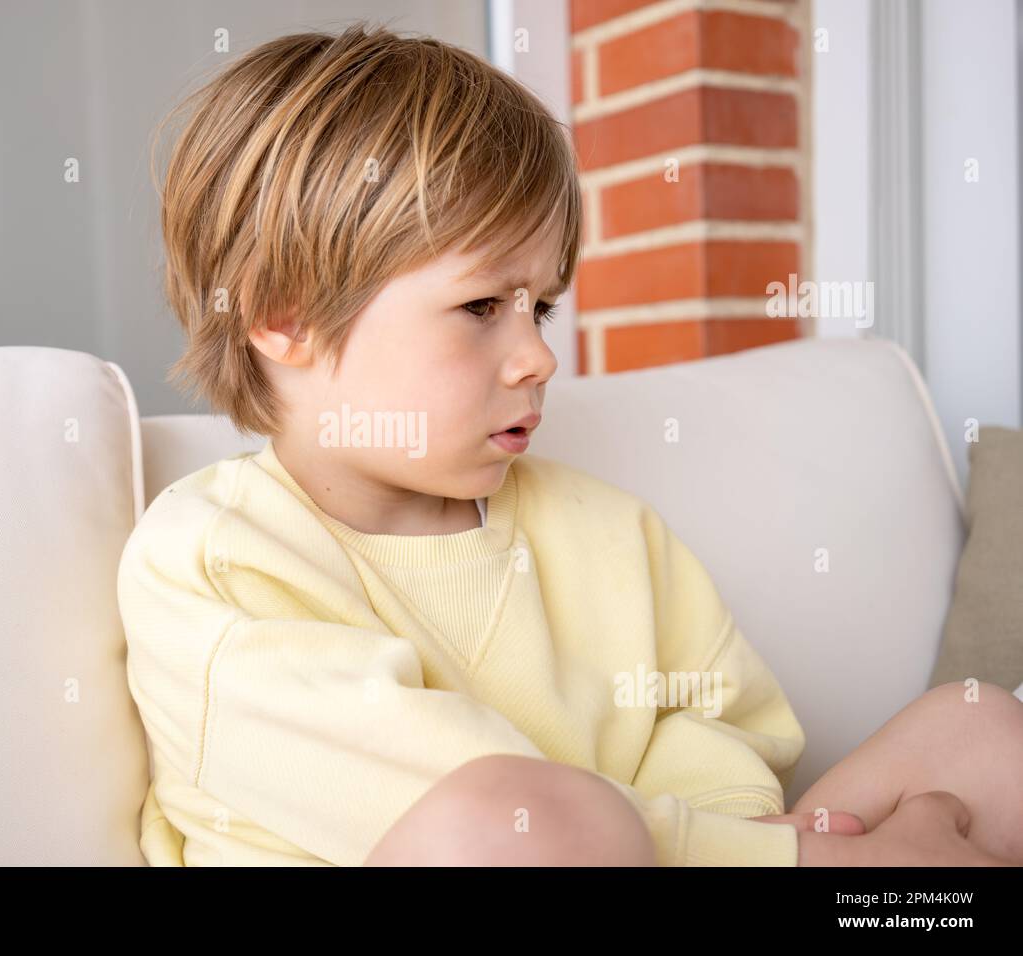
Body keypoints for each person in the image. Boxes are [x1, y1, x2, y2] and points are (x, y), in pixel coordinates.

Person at [118, 22, 1023, 866]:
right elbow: (483, 817)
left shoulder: (606, 530)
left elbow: (719, 727)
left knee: (980, 732)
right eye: (481, 307)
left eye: (541, 306)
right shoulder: (213, 558)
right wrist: (808, 860)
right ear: (287, 316)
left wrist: (760, 838)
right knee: (533, 816)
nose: (540, 356)